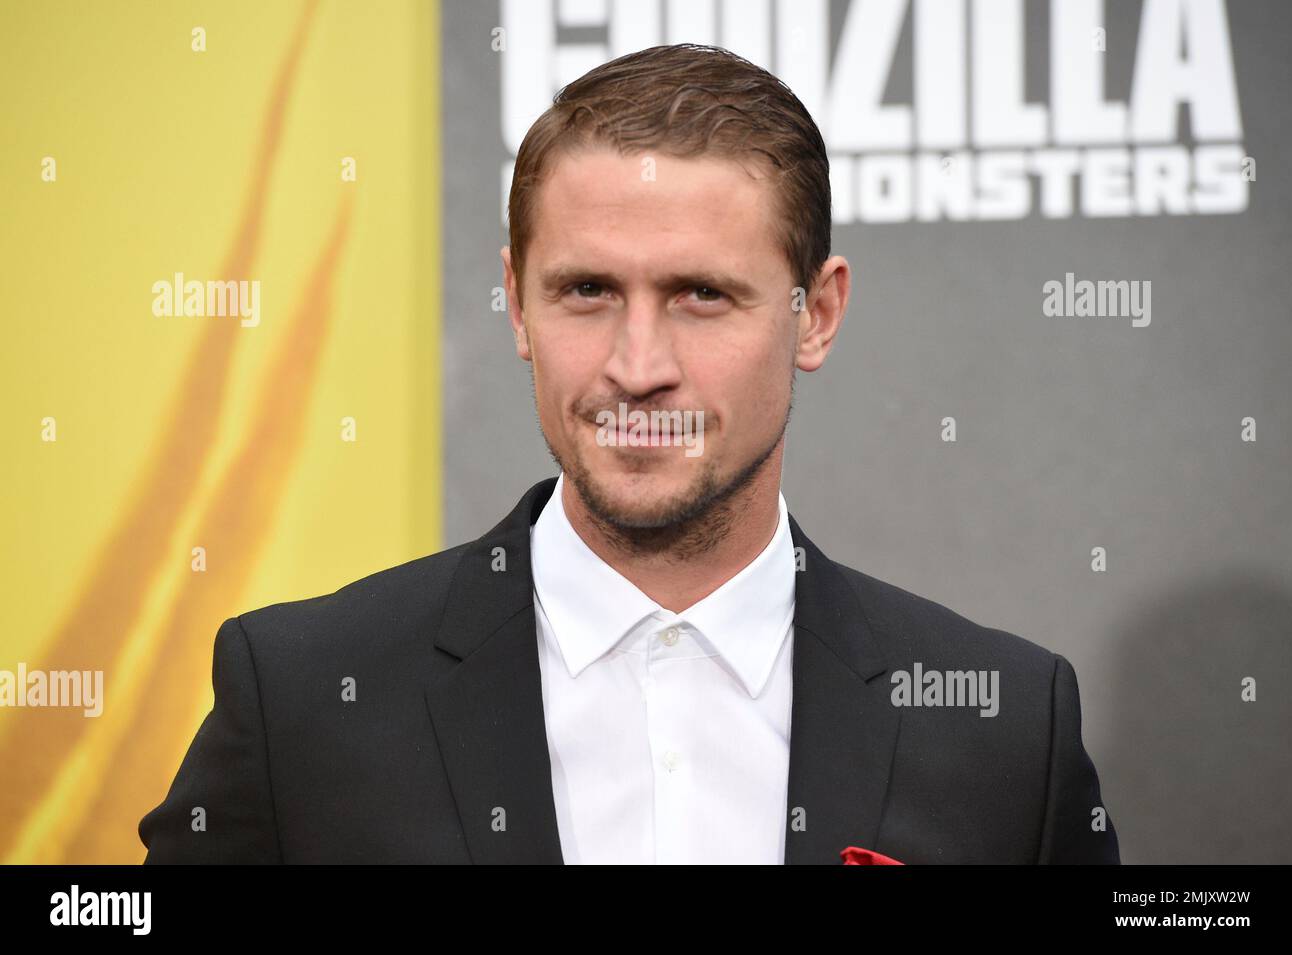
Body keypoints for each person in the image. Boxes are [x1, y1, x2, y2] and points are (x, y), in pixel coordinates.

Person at [139, 43, 1119, 864]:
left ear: (816, 314)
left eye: (702, 295)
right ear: (517, 305)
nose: (638, 367)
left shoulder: (1002, 726)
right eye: (587, 291)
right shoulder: (302, 699)